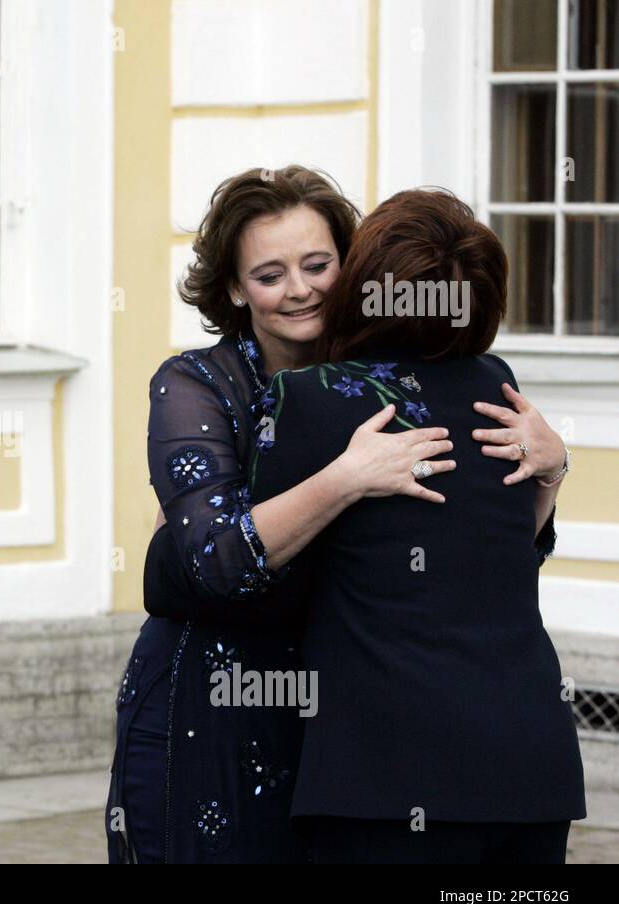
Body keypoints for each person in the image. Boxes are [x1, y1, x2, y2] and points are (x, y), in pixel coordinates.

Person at [106, 167, 462, 863]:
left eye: (318, 265)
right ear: (236, 289)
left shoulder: (390, 379)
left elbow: (465, 542)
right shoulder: (194, 384)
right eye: (270, 274)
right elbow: (213, 562)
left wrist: (550, 466)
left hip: (346, 717)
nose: (299, 289)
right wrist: (347, 480)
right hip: (208, 708)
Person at [249, 188, 584, 864]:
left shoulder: (309, 400)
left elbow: (245, 563)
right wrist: (555, 471)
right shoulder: (498, 383)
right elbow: (504, 550)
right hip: (530, 766)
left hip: (385, 777)